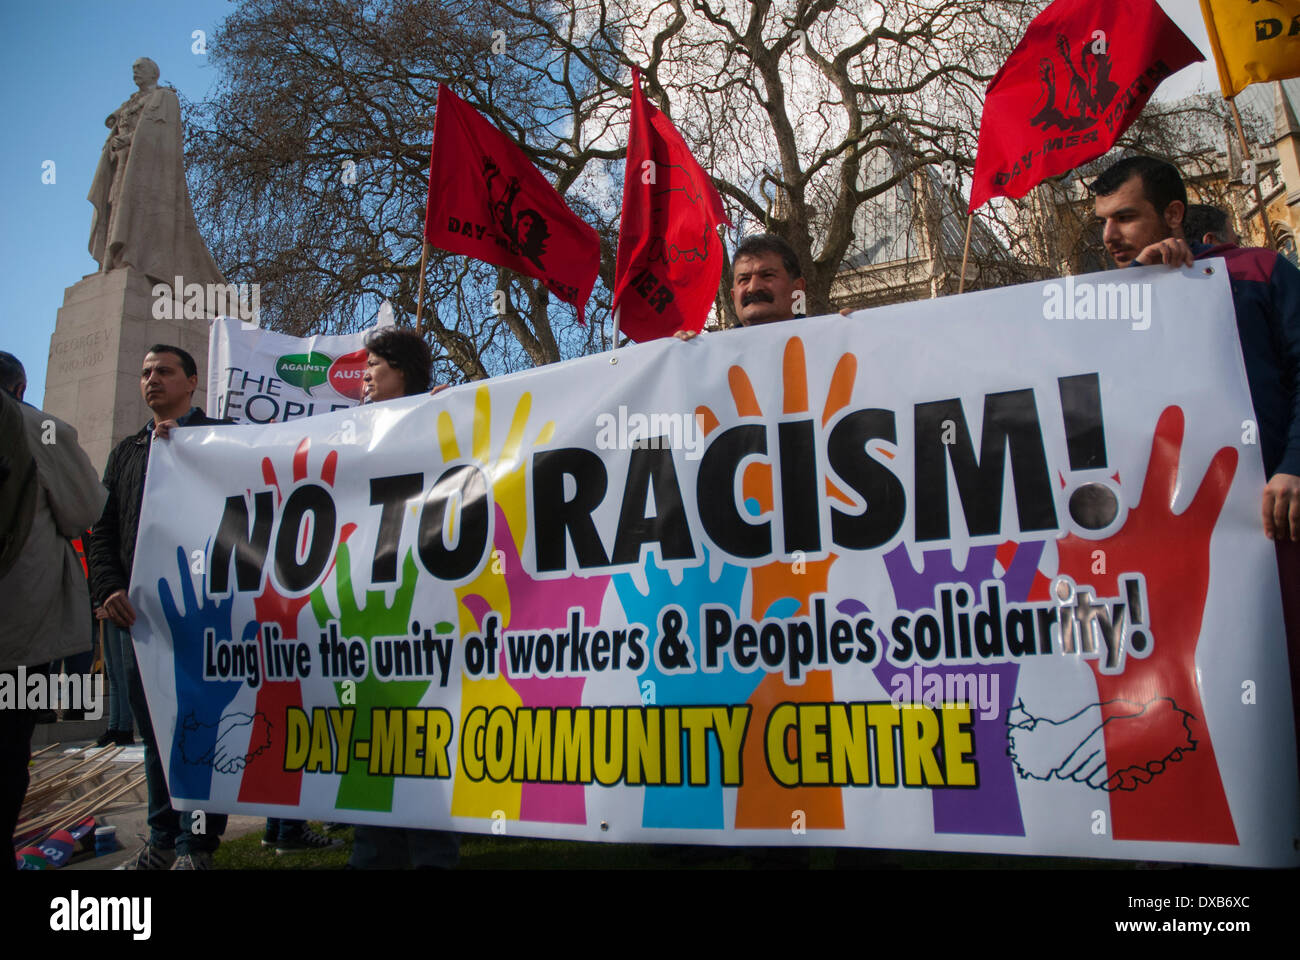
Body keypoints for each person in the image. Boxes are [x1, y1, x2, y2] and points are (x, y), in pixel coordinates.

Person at [1091, 155, 1300, 536]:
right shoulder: (1105, 306)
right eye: (1101, 222)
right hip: (1171, 529)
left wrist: (1294, 465)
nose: (1108, 235)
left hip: (1276, 512)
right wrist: (1139, 281)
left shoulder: (1258, 272)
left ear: (1173, 214)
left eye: (1124, 217)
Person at [88, 344, 231, 869]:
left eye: (165, 372)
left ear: (192, 381)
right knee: (154, 734)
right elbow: (101, 529)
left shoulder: (223, 436)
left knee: (197, 728)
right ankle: (161, 842)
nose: (152, 380)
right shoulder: (127, 450)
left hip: (203, 613)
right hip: (138, 617)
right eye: (146, 372)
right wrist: (107, 589)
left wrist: (192, 448)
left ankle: (197, 846)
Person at [349, 326, 460, 869]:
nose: (366, 373)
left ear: (405, 371)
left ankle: (431, 855)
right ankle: (371, 854)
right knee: (374, 741)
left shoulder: (445, 416)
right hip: (368, 613)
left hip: (426, 608)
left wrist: (453, 413)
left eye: (377, 363)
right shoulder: (347, 431)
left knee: (424, 734)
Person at [0, 352, 107, 869]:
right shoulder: (39, 429)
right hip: (19, 626)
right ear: (20, 386)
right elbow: (86, 508)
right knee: (8, 740)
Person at [87, 58, 226, 286]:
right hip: (122, 167)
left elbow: (158, 135)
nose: (135, 72)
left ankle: (134, 258)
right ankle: (113, 260)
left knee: (139, 210)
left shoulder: (164, 98)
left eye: (139, 68)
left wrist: (130, 139)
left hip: (148, 173)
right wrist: (114, 146)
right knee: (117, 208)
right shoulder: (128, 104)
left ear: (153, 72)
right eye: (132, 69)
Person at [675, 233, 808, 340]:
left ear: (797, 288)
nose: (753, 287)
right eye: (744, 279)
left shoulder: (826, 343)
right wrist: (680, 357)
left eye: (767, 275)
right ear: (733, 296)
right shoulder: (708, 355)